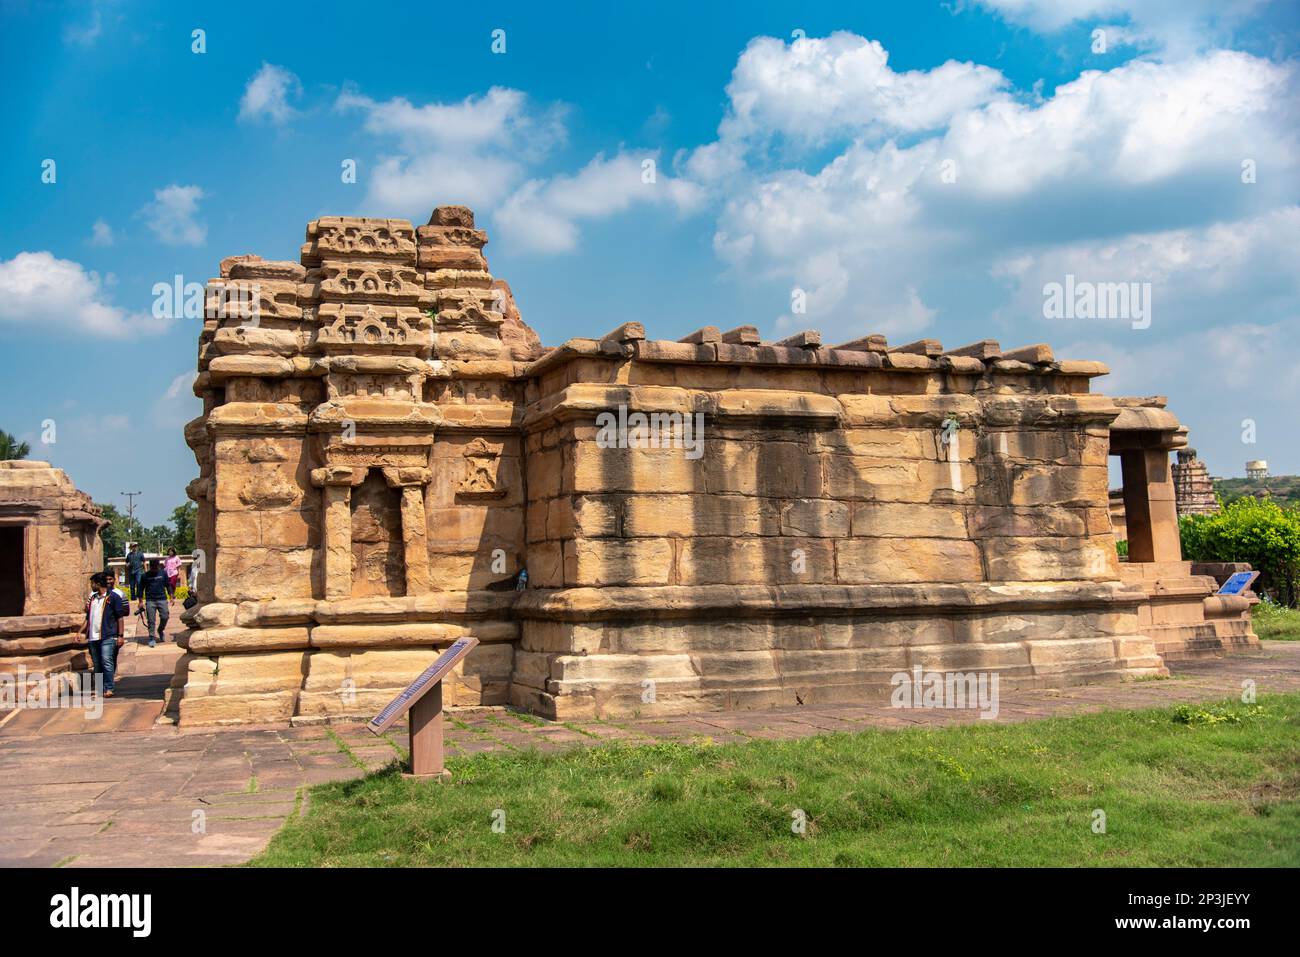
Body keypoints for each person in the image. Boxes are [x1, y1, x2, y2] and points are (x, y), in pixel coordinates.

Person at [78, 572, 127, 698]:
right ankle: (100, 689)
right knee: (97, 663)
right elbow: (88, 618)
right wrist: (80, 631)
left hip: (108, 635)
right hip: (93, 637)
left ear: (98, 583)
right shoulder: (93, 598)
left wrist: (120, 635)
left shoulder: (113, 597)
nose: (91, 586)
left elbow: (120, 618)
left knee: (106, 661)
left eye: (92, 583)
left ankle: (109, 687)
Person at [139, 559, 171, 648]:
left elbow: (168, 585)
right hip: (150, 600)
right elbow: (140, 589)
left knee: (165, 616)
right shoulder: (145, 576)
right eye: (152, 567)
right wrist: (140, 602)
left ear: (158, 566)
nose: (154, 569)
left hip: (162, 599)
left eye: (155, 567)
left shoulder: (163, 573)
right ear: (150, 567)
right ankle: (151, 637)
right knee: (151, 620)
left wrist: (171, 596)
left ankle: (160, 630)